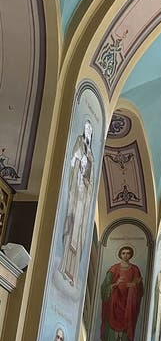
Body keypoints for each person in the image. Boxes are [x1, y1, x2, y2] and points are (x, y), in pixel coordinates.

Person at [59, 119, 95, 287]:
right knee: (71, 228)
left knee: (79, 233)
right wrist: (79, 171)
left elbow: (91, 180)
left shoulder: (91, 155)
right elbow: (74, 162)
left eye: (90, 131)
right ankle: (64, 266)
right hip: (76, 194)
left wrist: (87, 182)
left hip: (83, 199)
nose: (88, 132)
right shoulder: (79, 143)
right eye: (86, 129)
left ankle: (72, 273)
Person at [100, 245, 144, 341]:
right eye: (123, 253)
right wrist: (115, 284)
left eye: (128, 253)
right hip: (114, 304)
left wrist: (134, 287)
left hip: (127, 305)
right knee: (111, 331)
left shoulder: (135, 269)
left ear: (131, 255)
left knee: (124, 331)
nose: (125, 255)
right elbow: (104, 287)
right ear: (120, 254)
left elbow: (140, 289)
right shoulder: (114, 269)